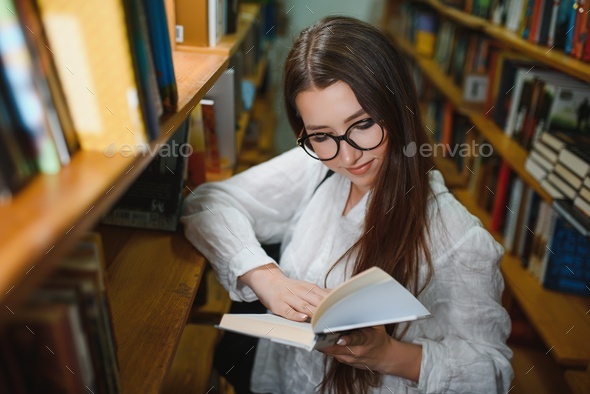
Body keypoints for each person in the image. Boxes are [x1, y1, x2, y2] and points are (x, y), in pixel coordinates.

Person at [181, 16, 513, 394]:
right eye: (322, 135)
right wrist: (264, 276)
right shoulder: (318, 167)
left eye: (363, 123)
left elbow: (491, 373)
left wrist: (388, 354)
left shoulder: (457, 237)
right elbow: (206, 203)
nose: (349, 156)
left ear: (396, 105)